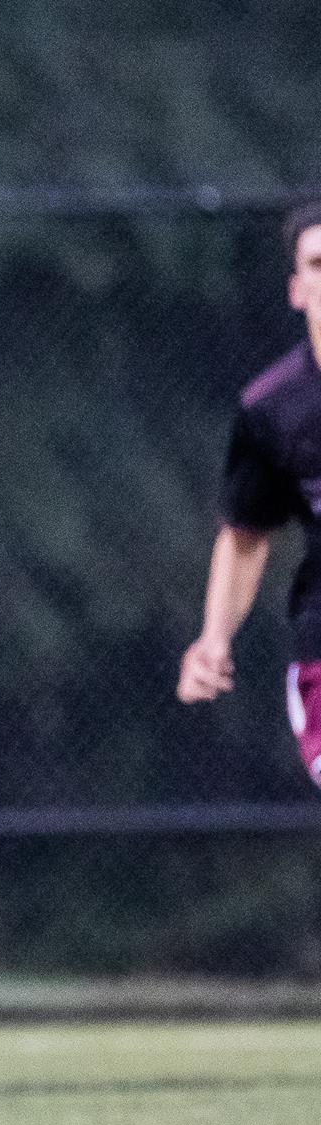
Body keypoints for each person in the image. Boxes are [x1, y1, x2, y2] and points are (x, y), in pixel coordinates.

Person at [179, 203, 321, 781]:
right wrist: (214, 638)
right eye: (318, 262)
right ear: (297, 288)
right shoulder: (272, 408)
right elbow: (245, 537)